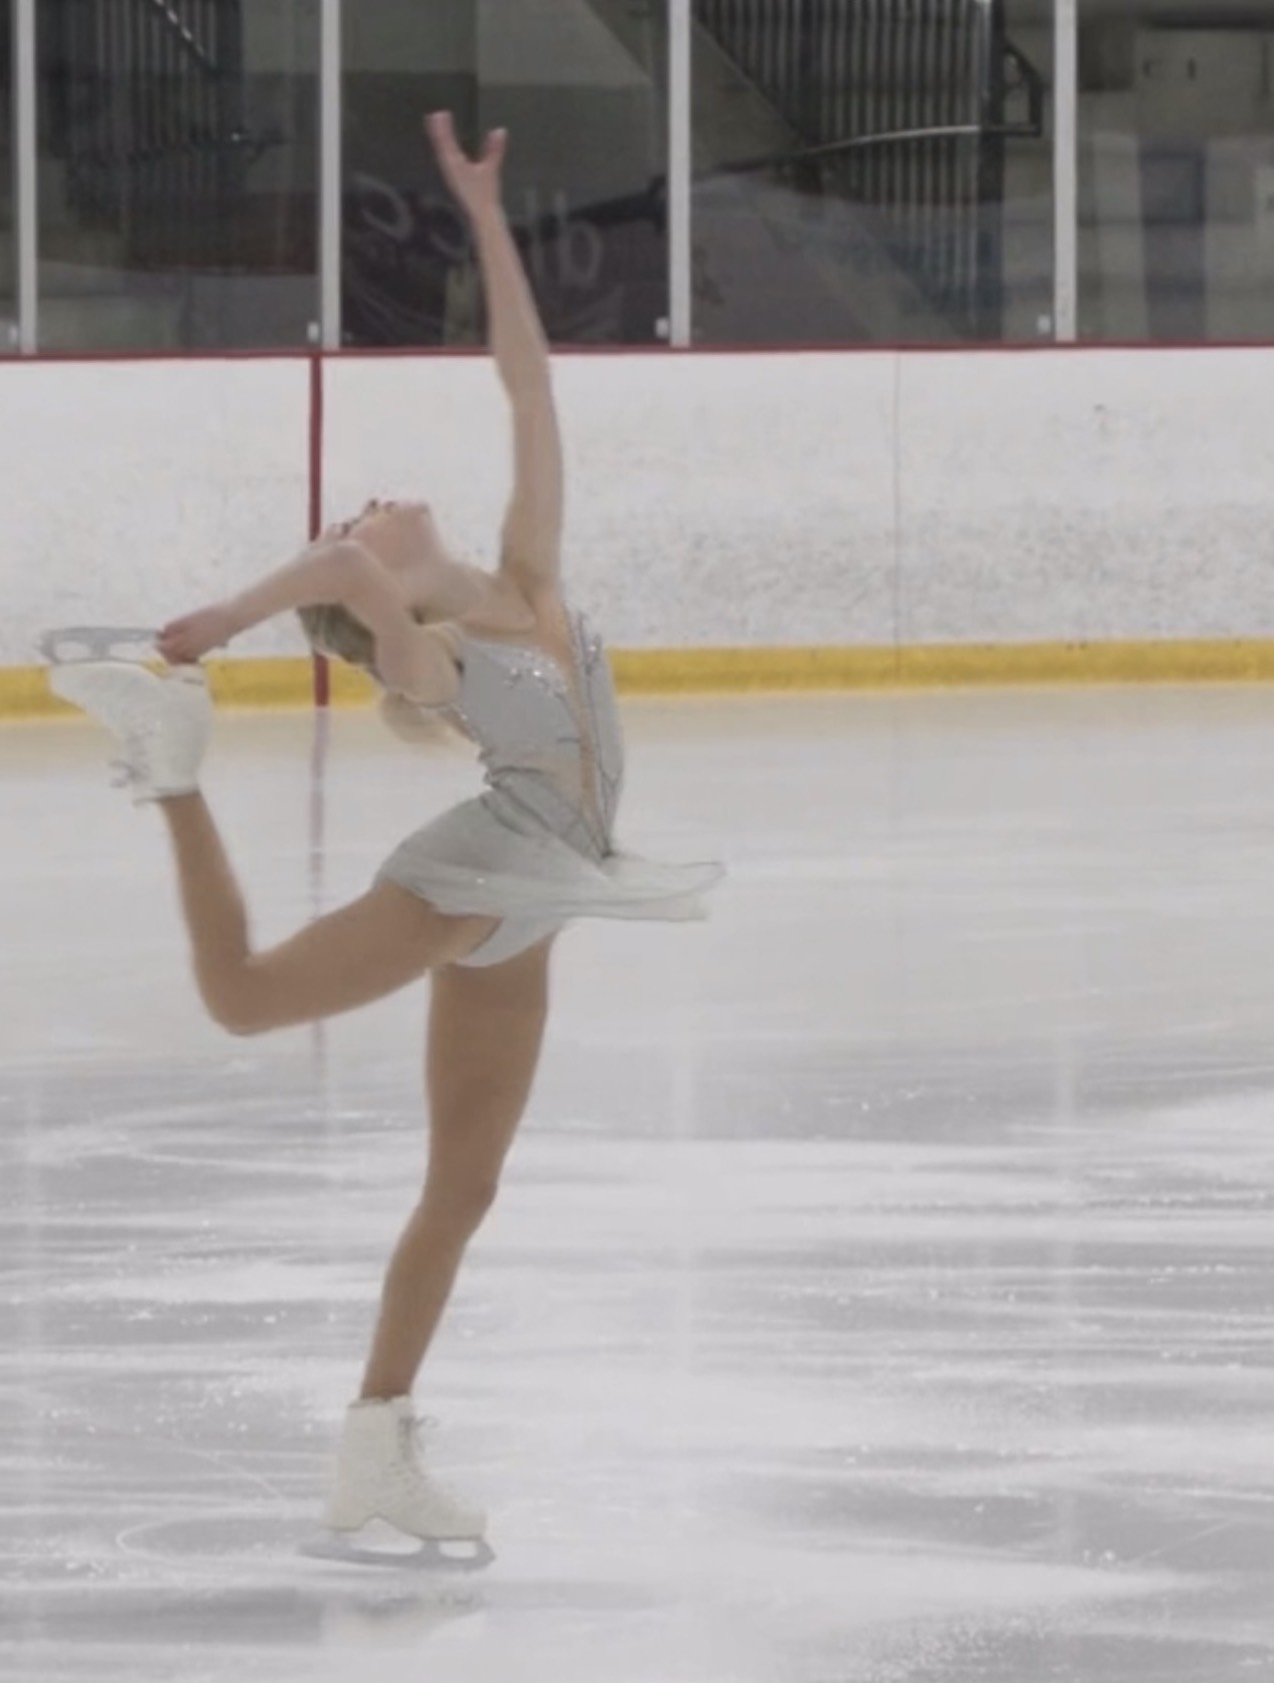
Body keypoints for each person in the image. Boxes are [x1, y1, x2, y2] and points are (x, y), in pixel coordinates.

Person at [45, 113, 722, 1565]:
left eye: (376, 500)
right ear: (379, 613)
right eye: (363, 517)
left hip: (545, 896)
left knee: (461, 1190)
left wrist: (487, 217)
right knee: (242, 998)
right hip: (481, 873)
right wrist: (231, 622)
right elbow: (346, 567)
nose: (378, 503)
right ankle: (173, 776)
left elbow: (529, 390)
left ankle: (374, 1450)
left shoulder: (527, 573)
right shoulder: (429, 657)